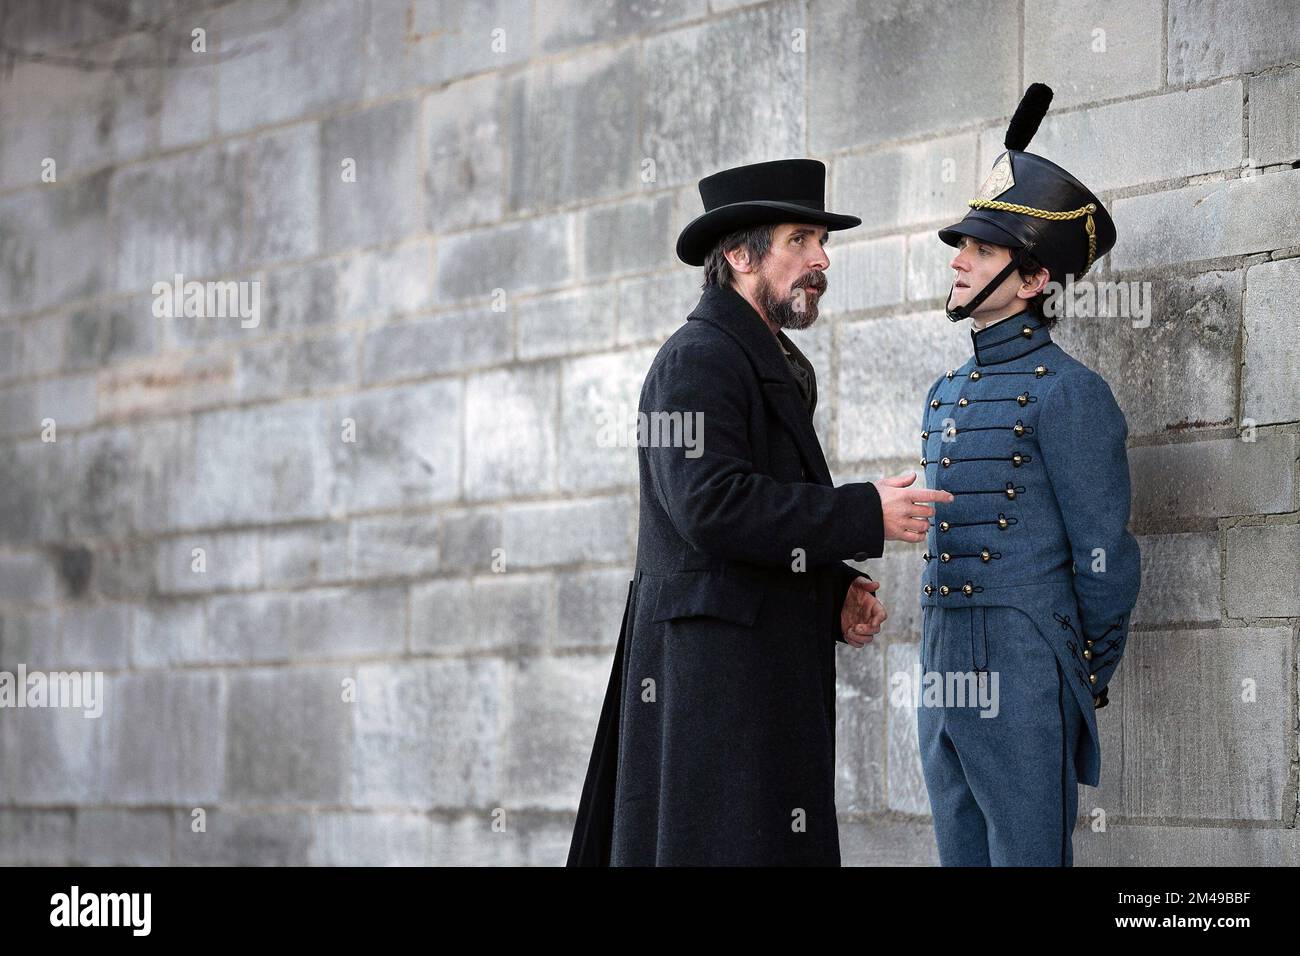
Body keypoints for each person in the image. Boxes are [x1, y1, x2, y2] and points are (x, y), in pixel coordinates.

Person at [567, 158, 953, 865]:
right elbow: (709, 507)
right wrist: (864, 512)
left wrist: (832, 587)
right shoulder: (697, 358)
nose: (822, 260)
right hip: (713, 691)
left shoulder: (764, 356)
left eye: (822, 242)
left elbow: (753, 510)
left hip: (755, 680)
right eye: (801, 240)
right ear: (742, 256)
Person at [916, 84, 1141, 866]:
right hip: (941, 661)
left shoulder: (1069, 394)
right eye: (962, 244)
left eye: (979, 250)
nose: (959, 258)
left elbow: (1105, 556)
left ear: (1034, 279)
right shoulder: (944, 393)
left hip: (1021, 663)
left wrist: (1075, 671)